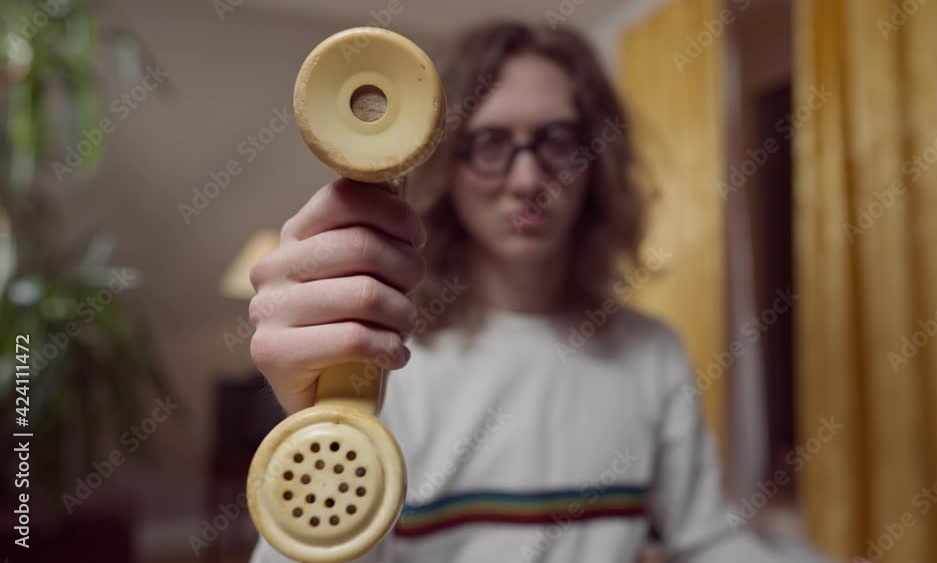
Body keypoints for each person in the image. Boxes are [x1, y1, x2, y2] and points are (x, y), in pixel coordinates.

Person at [248, 21, 783, 563]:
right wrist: (315, 421)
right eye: (489, 143)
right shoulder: (382, 357)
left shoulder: (651, 353)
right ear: (445, 165)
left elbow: (706, 541)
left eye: (557, 141)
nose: (527, 179)